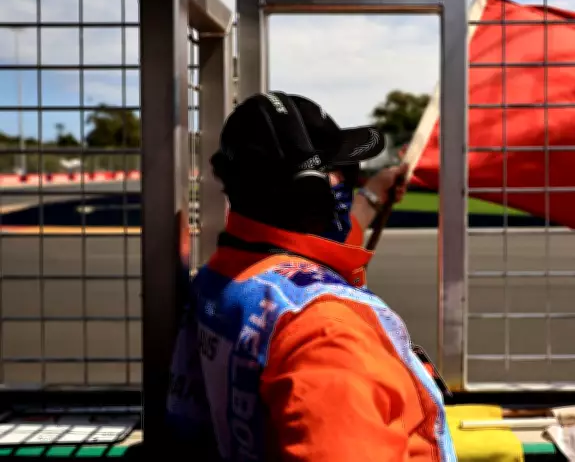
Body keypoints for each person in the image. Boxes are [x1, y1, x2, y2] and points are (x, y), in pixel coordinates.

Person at [165, 91, 457, 461]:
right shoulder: (326, 331)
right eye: (346, 173)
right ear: (312, 189)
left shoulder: (226, 274)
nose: (352, 182)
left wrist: (372, 194)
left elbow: (308, 249)